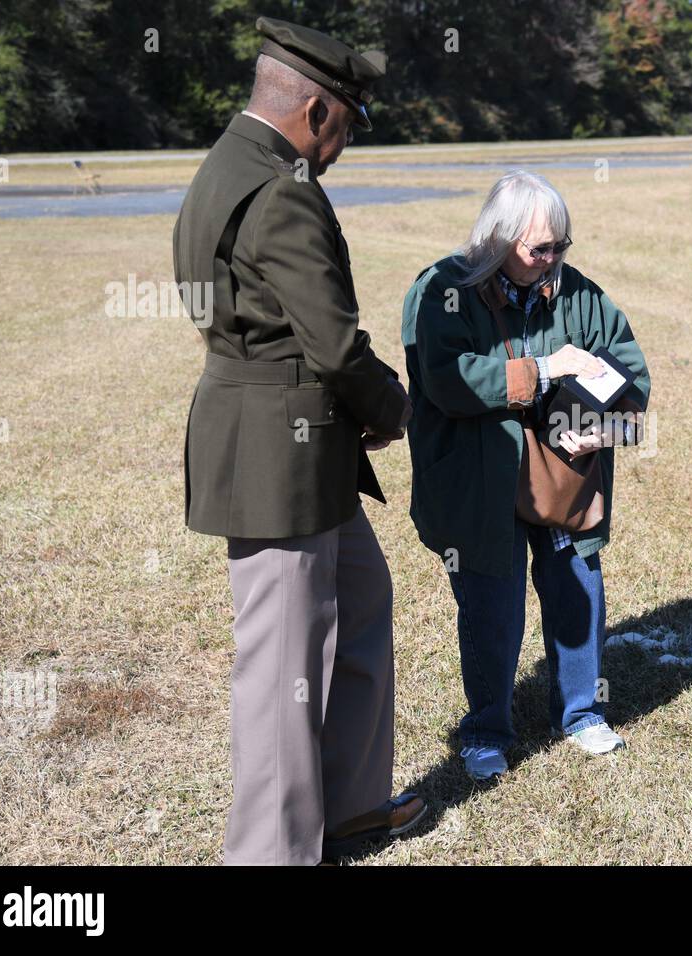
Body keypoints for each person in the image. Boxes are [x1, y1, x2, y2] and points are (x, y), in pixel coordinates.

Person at [172, 16, 424, 865]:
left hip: (289, 446)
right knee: (284, 671)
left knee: (360, 606)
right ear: (315, 109)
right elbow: (334, 344)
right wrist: (393, 408)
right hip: (282, 457)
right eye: (346, 124)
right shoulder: (283, 189)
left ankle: (348, 804)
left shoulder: (222, 167)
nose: (343, 145)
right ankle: (272, 853)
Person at [401, 170, 651, 781]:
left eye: (560, 246)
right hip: (478, 480)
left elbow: (631, 378)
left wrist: (605, 426)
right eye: (539, 248)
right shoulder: (442, 291)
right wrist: (541, 370)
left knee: (575, 585)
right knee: (492, 604)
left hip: (563, 477)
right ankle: (486, 729)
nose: (551, 259)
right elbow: (449, 382)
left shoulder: (579, 294)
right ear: (498, 238)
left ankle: (582, 711)